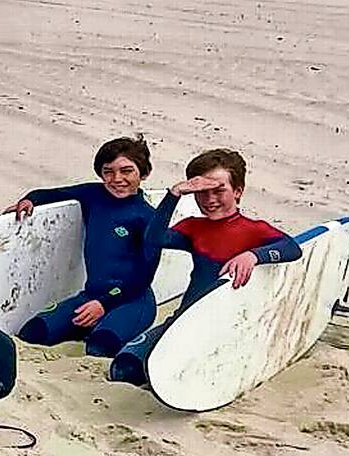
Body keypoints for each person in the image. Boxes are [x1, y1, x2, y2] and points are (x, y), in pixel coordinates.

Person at [109, 148, 303, 385]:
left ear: (238, 191)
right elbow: (153, 239)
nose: (210, 200)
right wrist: (174, 194)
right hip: (184, 319)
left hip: (226, 328)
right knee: (125, 367)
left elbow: (292, 248)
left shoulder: (254, 230)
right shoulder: (194, 227)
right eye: (202, 192)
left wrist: (253, 255)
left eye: (219, 190)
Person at [5, 136, 162, 357]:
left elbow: (143, 278)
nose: (117, 179)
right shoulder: (94, 194)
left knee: (99, 348)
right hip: (91, 295)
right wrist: (30, 200)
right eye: (108, 171)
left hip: (132, 300)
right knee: (33, 333)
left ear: (143, 174)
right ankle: (90, 325)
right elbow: (52, 194)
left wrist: (103, 304)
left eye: (126, 171)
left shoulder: (148, 218)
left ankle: (107, 327)